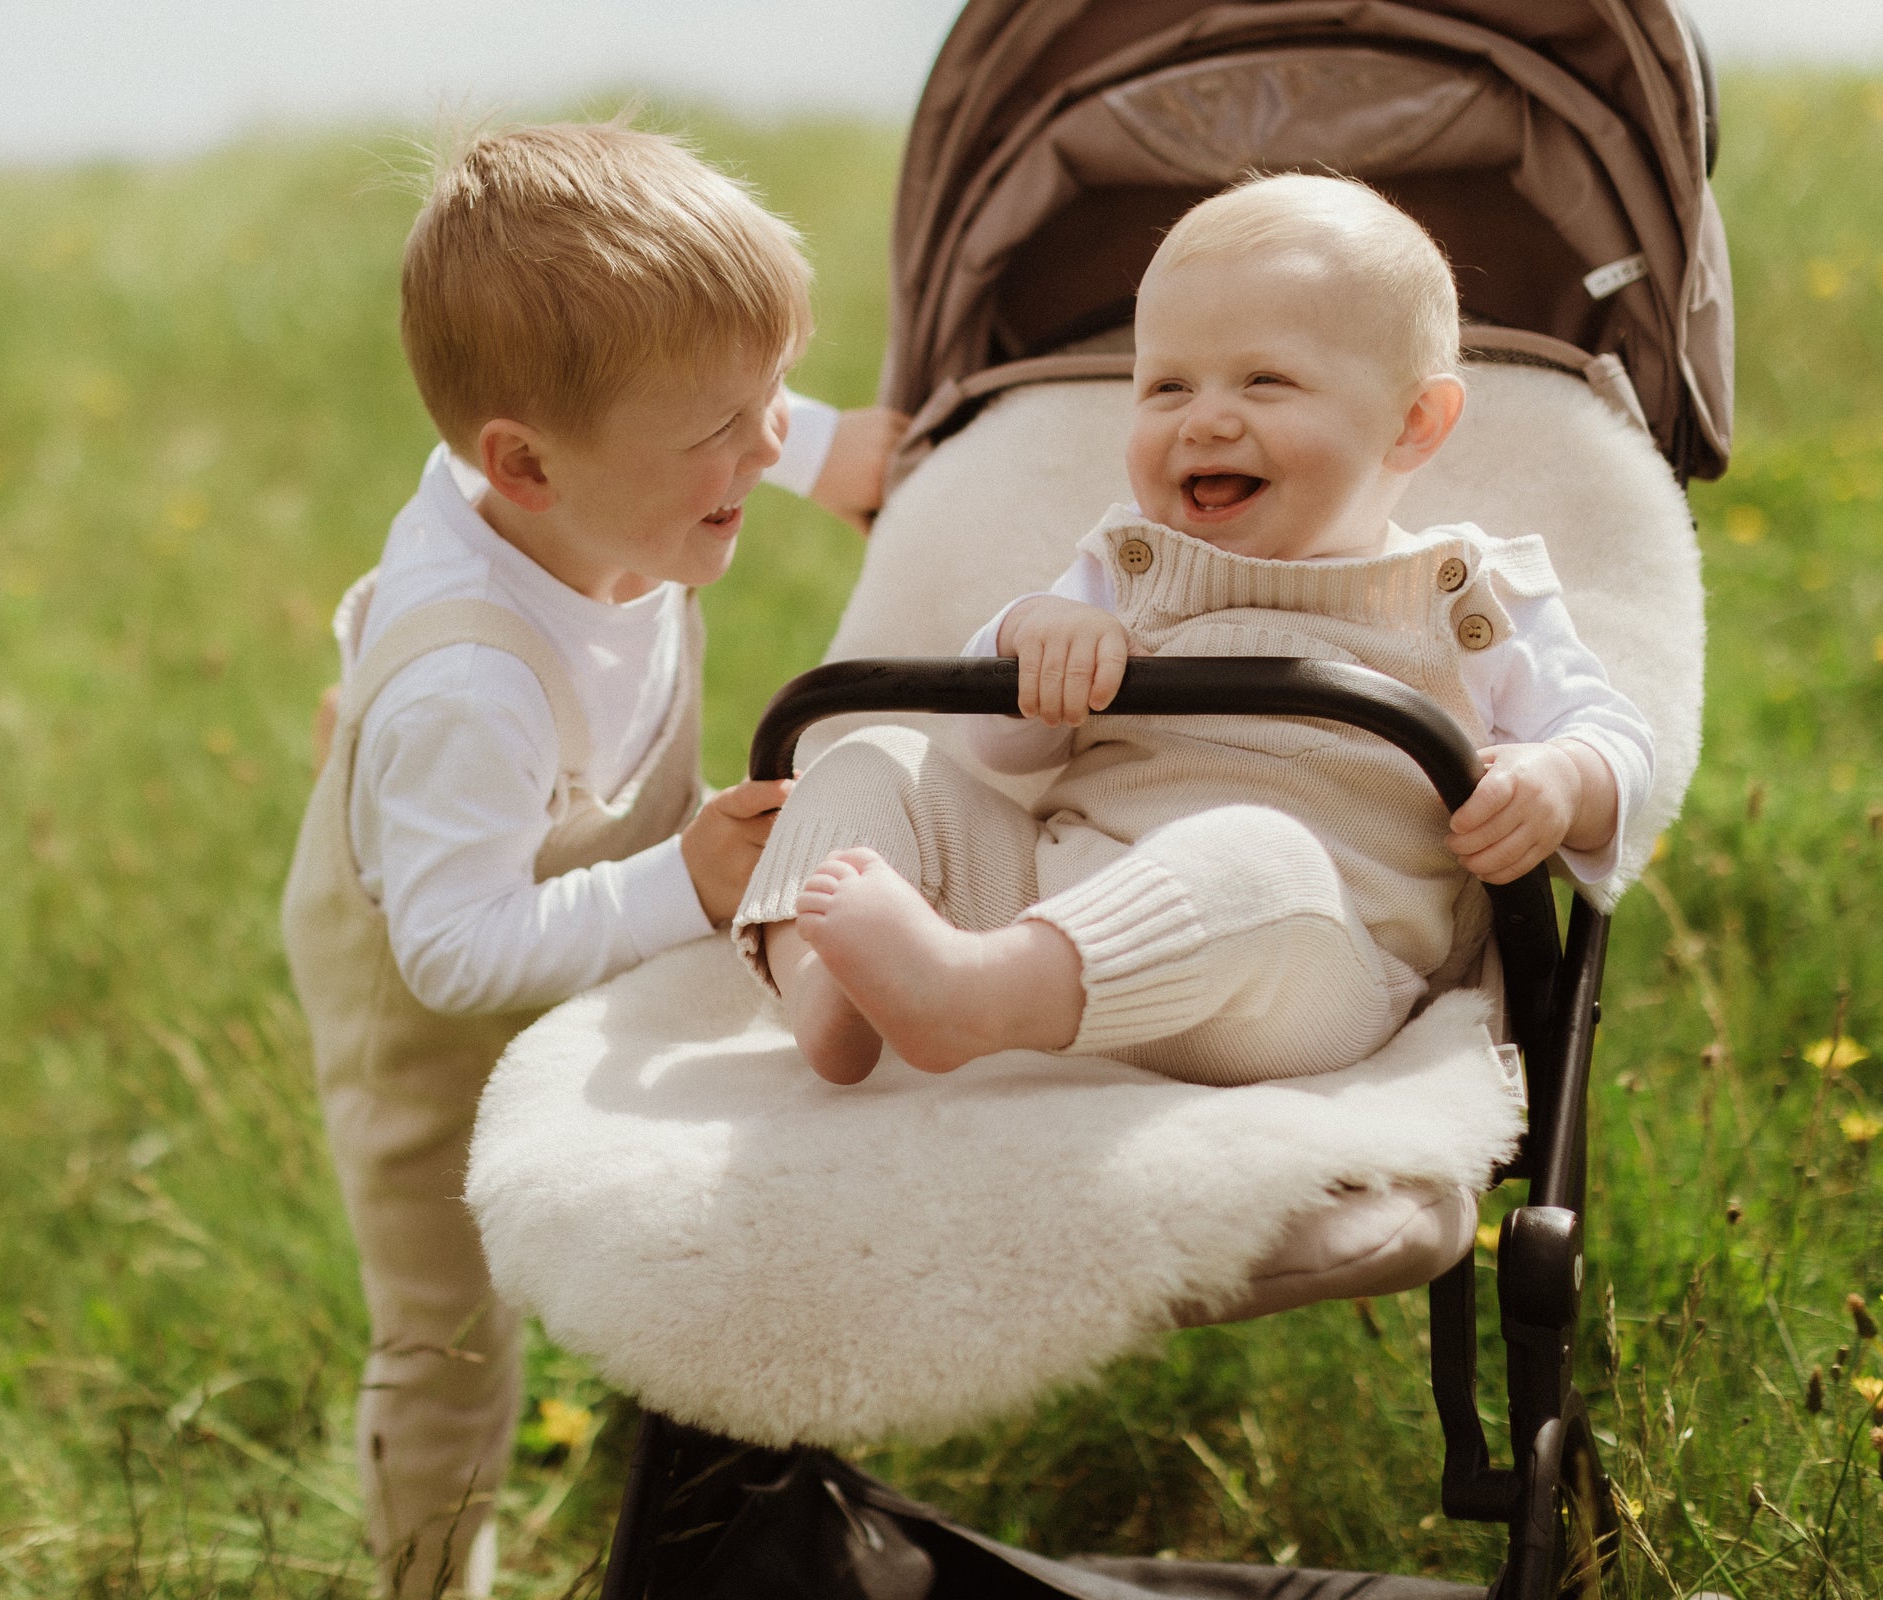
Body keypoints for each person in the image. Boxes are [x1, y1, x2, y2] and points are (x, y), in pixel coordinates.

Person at [280, 120, 907, 1597]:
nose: (762, 445)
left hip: (575, 857)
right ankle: (435, 1578)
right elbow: (450, 954)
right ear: (524, 464)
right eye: (726, 431)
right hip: (428, 1017)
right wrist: (673, 884)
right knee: (448, 1335)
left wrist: (828, 451)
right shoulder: (474, 684)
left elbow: (716, 399)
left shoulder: (592, 480)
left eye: (776, 403)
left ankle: (726, 1501)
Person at [733, 173, 1654, 1089]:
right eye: (1167, 386)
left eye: (1266, 380)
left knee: (1255, 854)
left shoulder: (1467, 597)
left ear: (1414, 422)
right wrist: (1031, 638)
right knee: (869, 758)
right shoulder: (1124, 568)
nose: (1206, 419)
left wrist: (1562, 778)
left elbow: (1613, 735)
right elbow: (998, 745)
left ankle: (976, 998)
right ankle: (827, 986)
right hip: (1055, 893)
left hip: (1304, 969)